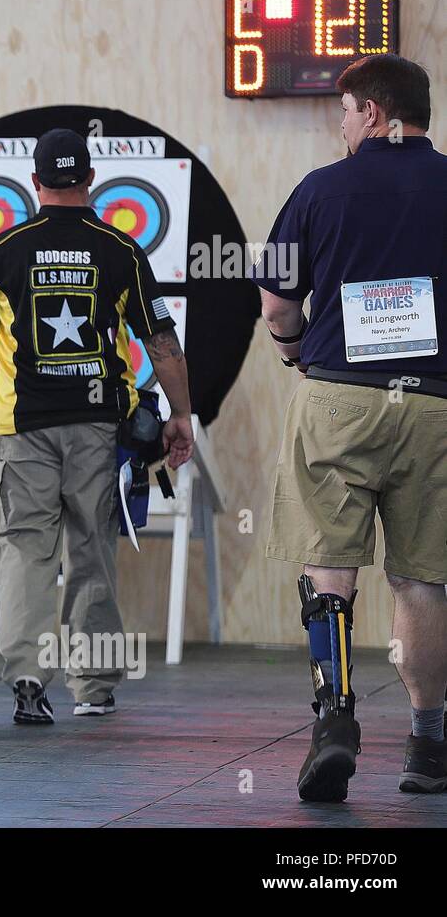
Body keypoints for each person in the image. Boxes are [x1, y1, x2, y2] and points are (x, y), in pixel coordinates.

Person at [251, 53, 447, 802]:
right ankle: (428, 744)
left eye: (341, 111)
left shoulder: (320, 189)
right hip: (434, 406)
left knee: (329, 565)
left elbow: (275, 300)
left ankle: (334, 718)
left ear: (372, 112)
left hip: (337, 398)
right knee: (423, 577)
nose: (338, 125)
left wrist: (294, 350)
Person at [0, 128, 193, 725]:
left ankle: (30, 680)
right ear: (91, 181)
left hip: (22, 424)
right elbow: (161, 341)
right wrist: (181, 415)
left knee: (25, 550)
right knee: (91, 550)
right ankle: (93, 688)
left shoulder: (3, 249)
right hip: (97, 426)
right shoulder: (120, 248)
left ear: (33, 184)